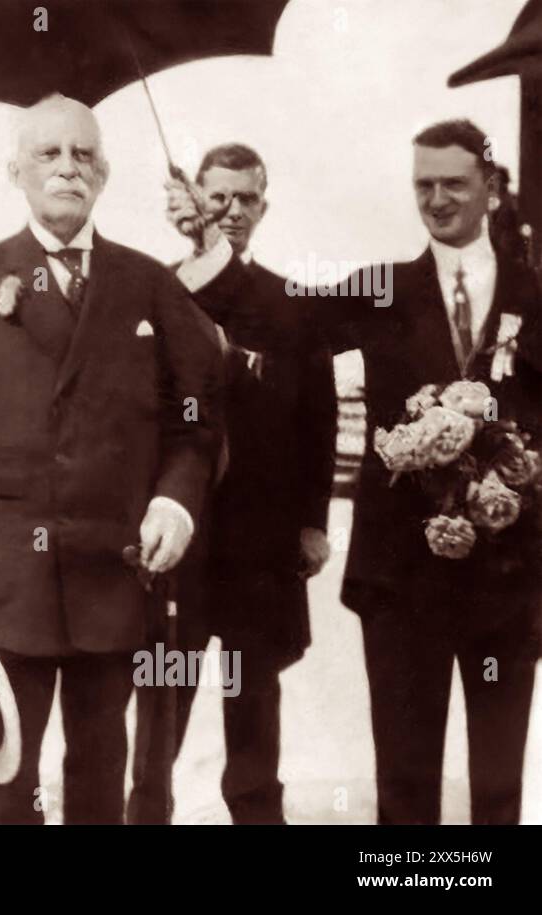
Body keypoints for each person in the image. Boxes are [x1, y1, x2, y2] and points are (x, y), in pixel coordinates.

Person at [180, 118, 541, 825]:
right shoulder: (383, 289)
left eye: (454, 184)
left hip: (509, 580)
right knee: (404, 784)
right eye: (423, 185)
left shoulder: (536, 295)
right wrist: (211, 247)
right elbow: (277, 313)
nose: (436, 200)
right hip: (401, 581)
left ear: (490, 188)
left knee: (498, 783)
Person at [0, 93, 225, 824]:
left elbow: (197, 417)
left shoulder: (149, 283)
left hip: (114, 573)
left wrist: (175, 500)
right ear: (15, 169)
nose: (66, 168)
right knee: (4, 771)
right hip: (4, 581)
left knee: (99, 768)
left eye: (82, 154)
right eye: (48, 153)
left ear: (106, 174)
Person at [129, 143, 337, 825]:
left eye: (245, 199)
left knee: (252, 695)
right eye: (216, 197)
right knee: (168, 688)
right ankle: (146, 812)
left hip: (259, 543)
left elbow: (318, 422)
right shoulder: (156, 289)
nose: (231, 211)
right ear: (191, 203)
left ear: (264, 206)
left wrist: (313, 521)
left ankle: (256, 815)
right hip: (180, 537)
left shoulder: (291, 303)